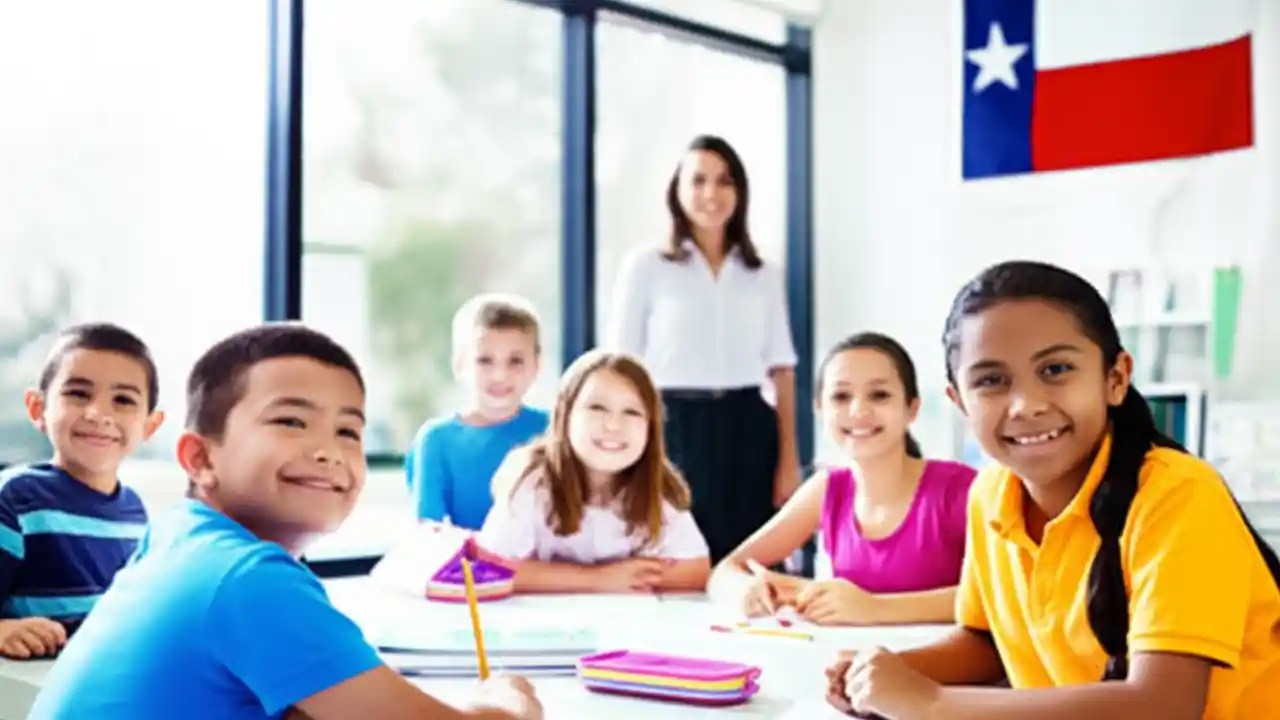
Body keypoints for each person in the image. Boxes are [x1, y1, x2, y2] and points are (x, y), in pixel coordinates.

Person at [825, 261, 1280, 719]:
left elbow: (1164, 705)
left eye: (1056, 369)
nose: (1026, 406)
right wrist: (885, 675)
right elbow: (991, 643)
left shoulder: (1179, 494)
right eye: (991, 381)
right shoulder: (991, 494)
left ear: (1116, 378)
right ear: (960, 402)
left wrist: (929, 702)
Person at [30, 323, 541, 720]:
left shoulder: (178, 536)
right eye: (292, 421)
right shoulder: (249, 577)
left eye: (348, 431)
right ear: (200, 459)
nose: (328, 451)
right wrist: (507, 699)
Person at [606, 134, 799, 562]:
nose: (711, 193)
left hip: (749, 428)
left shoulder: (763, 273)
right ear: (677, 190)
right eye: (698, 180)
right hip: (672, 426)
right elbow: (620, 367)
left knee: (749, 561)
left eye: (724, 181)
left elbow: (782, 369)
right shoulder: (647, 266)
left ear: (740, 192)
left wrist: (789, 461)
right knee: (673, 557)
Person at [709, 333, 975, 625]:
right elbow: (724, 571)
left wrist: (875, 608)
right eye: (841, 397)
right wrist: (746, 589)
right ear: (820, 410)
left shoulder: (961, 490)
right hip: (851, 653)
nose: (859, 411)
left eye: (879, 395)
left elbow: (1002, 593)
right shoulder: (827, 489)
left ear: (911, 409)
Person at [479, 350, 710, 593]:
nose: (613, 425)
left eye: (632, 412)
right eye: (597, 408)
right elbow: (487, 567)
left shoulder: (656, 485)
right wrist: (601, 578)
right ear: (565, 415)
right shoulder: (532, 479)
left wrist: (628, 576)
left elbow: (695, 569)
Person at [0, 323, 164, 659]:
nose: (99, 414)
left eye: (123, 400)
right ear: (37, 409)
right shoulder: (16, 498)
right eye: (78, 394)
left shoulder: (135, 512)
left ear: (150, 425)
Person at [407, 294, 548, 529]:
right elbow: (429, 528)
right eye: (484, 360)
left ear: (536, 366)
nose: (499, 375)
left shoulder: (554, 430)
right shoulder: (436, 439)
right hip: (466, 552)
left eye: (515, 361)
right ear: (459, 365)